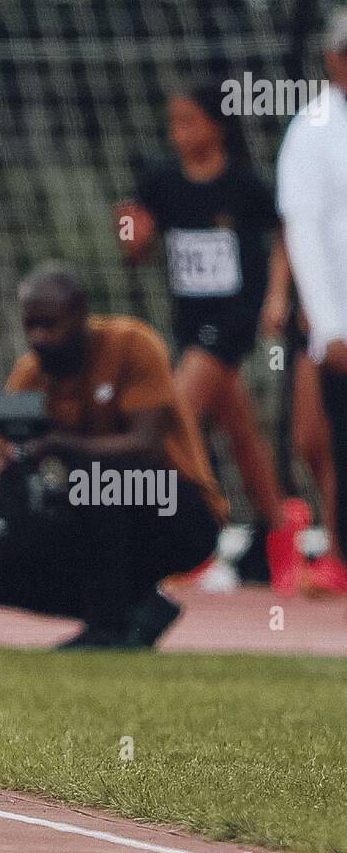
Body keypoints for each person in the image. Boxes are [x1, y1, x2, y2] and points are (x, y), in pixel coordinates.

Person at [0, 264, 226, 650]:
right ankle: (133, 609)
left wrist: (57, 445)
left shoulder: (132, 344)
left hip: (174, 509)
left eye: (50, 325)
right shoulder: (30, 374)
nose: (39, 338)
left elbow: (146, 446)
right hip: (94, 519)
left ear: (80, 316)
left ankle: (108, 629)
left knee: (94, 477)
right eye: (31, 326)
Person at [114, 83, 307, 593]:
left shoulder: (243, 185)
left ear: (217, 126)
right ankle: (280, 533)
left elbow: (284, 232)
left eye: (190, 122)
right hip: (190, 319)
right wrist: (130, 236)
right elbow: (137, 245)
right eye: (174, 123)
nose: (180, 134)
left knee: (176, 416)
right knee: (240, 431)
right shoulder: (162, 181)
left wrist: (277, 297)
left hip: (234, 315)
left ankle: (198, 542)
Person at [276, 10, 347, 583]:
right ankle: (339, 551)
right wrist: (328, 327)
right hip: (338, 320)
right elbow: (303, 228)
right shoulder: (314, 129)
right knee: (326, 436)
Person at [261, 238, 347, 595]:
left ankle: (337, 556)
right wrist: (280, 292)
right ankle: (335, 548)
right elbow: (293, 227)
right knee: (311, 439)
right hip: (322, 316)